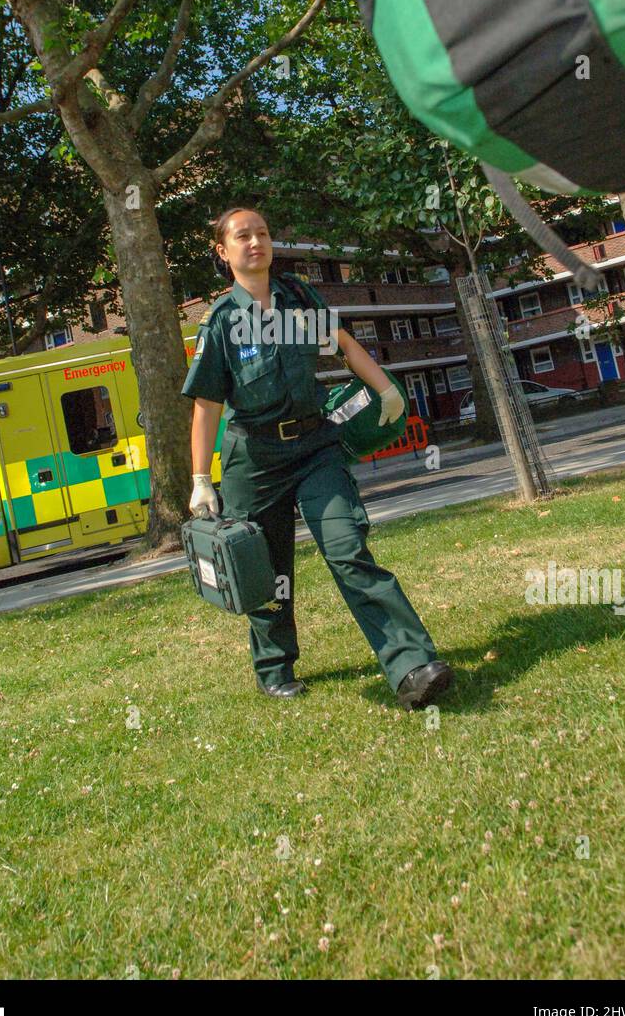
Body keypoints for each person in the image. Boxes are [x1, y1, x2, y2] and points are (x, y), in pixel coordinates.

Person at [180, 205, 453, 710]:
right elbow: (206, 407)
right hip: (253, 460)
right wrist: (201, 478)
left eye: (262, 232)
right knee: (267, 569)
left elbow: (344, 344)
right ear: (224, 251)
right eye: (243, 236)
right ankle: (274, 667)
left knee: (348, 548)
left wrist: (386, 392)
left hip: (315, 447)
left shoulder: (299, 297)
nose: (256, 241)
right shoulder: (218, 323)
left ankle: (412, 665)